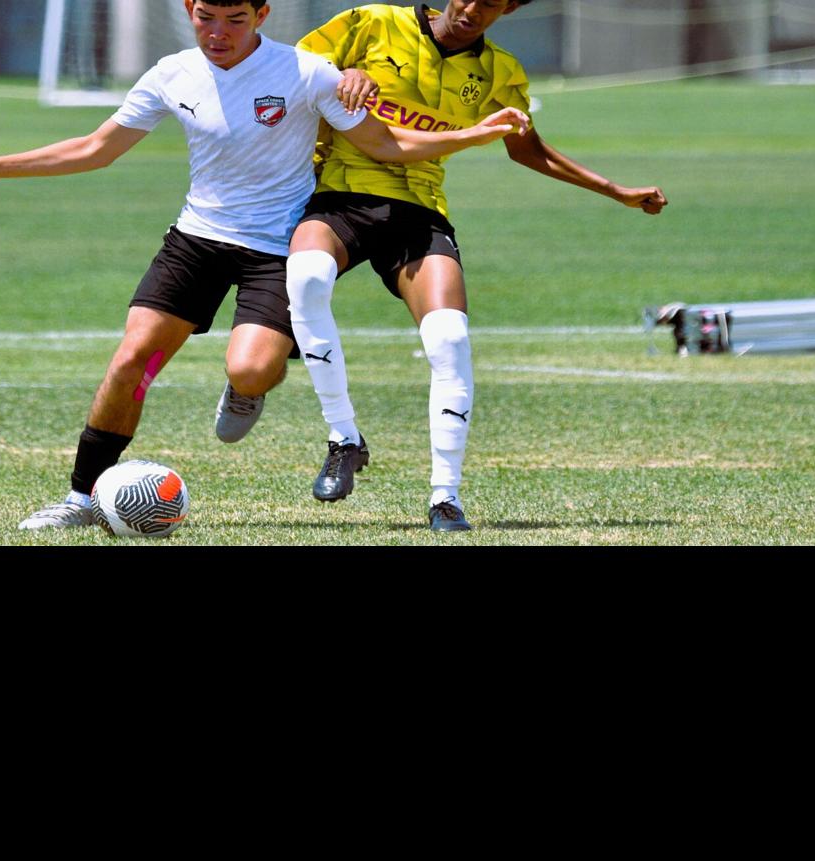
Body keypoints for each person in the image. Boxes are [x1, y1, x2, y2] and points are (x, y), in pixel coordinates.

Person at [0, 0, 525, 530]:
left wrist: (474, 134)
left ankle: (247, 387)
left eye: (235, 19)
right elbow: (96, 148)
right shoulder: (171, 74)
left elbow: (387, 144)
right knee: (133, 359)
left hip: (273, 250)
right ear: (189, 9)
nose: (219, 32)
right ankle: (82, 497)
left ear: (261, 15)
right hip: (196, 240)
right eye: (206, 17)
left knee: (250, 371)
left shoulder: (302, 72)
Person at [237, 0, 667, 532]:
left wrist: (615, 190)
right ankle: (344, 438)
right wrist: (340, 73)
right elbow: (287, 73)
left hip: (419, 210)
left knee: (449, 338)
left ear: (507, 9)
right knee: (306, 277)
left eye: (491, 3)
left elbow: (528, 149)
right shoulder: (370, 24)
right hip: (336, 196)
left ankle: (446, 498)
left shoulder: (500, 72)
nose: (473, 9)